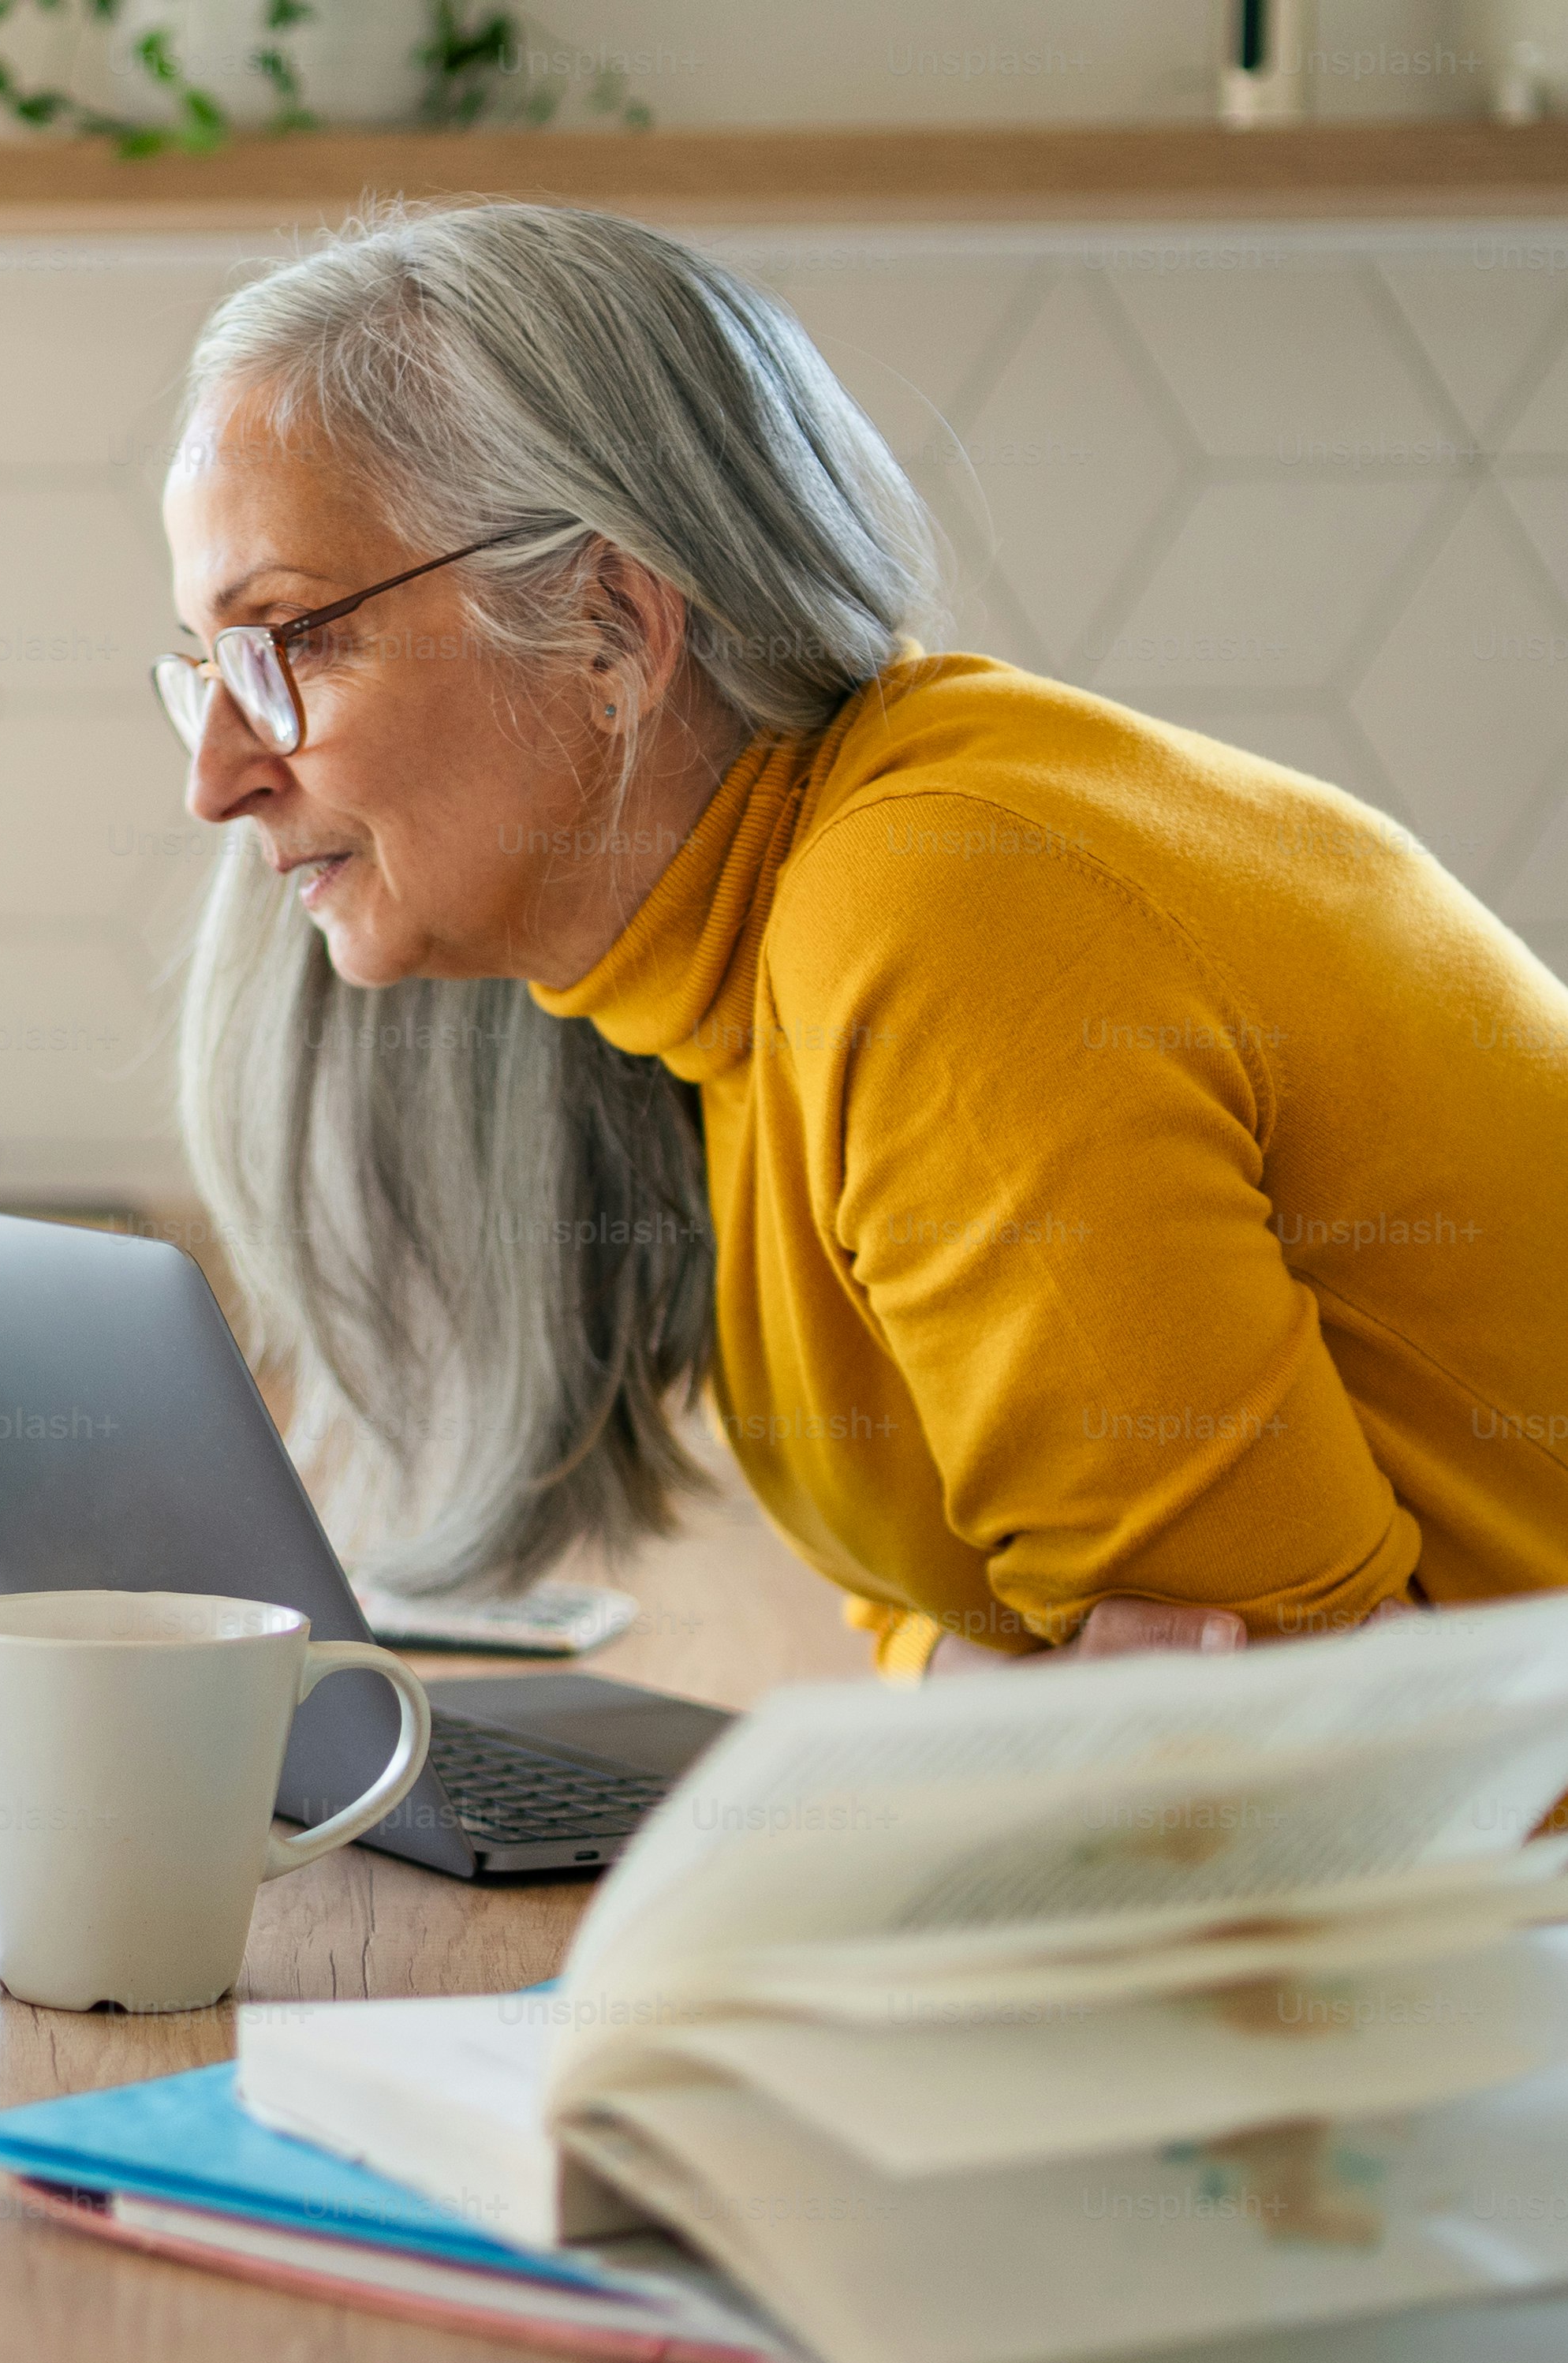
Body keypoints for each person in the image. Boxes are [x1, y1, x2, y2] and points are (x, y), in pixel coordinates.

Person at [161, 205, 1568, 1681]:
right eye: (203, 668)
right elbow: (993, 1635)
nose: (219, 773)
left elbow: (1280, 1750)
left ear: (608, 628)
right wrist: (1011, 1700)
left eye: (290, 640)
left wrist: (1036, 1719)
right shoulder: (729, 979)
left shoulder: (940, 912)